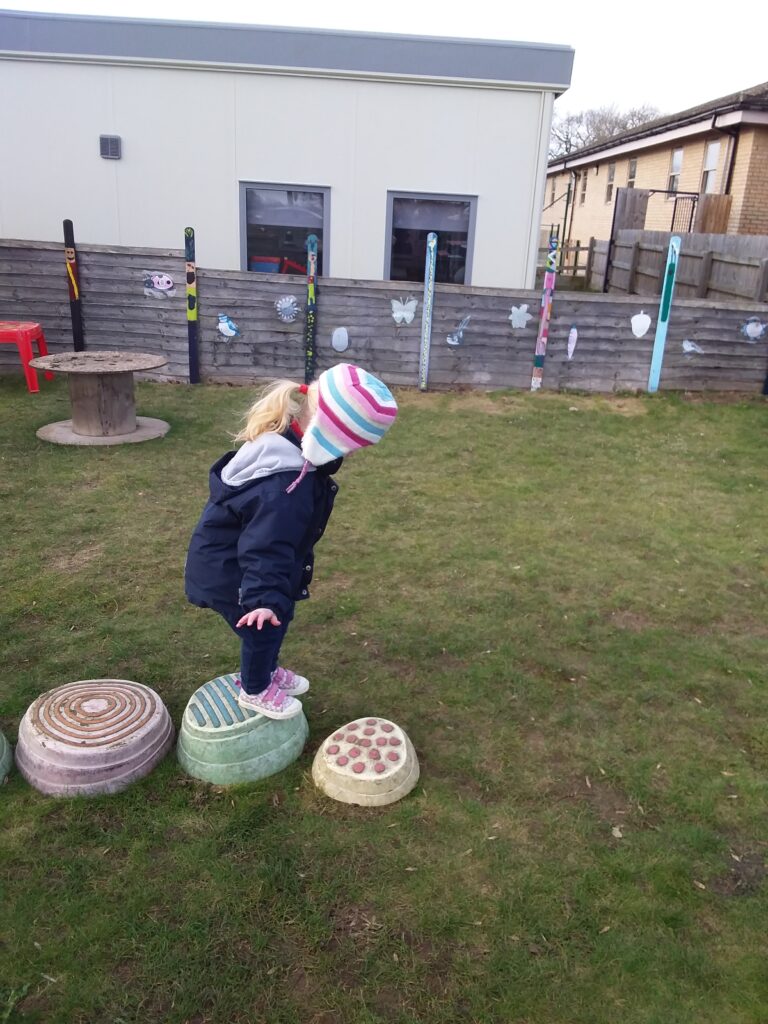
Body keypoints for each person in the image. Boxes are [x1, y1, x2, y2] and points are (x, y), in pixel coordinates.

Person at [185, 363, 398, 720]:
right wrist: (263, 599)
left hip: (241, 565)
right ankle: (255, 688)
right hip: (234, 574)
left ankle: (265, 669)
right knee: (264, 626)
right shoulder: (284, 486)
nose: (353, 453)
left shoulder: (288, 447)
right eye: (351, 445)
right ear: (331, 435)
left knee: (279, 617)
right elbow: (265, 546)